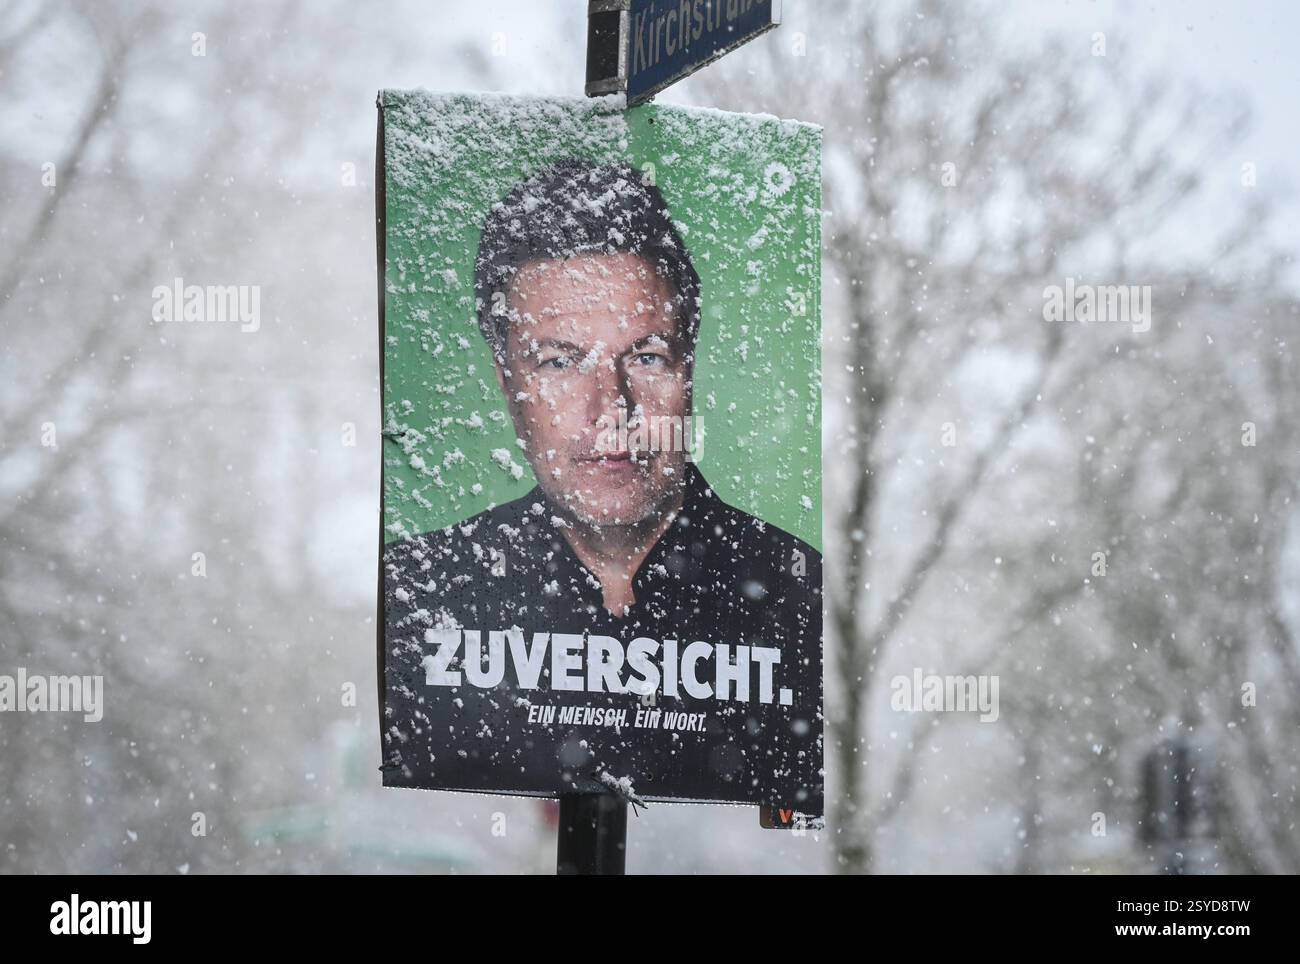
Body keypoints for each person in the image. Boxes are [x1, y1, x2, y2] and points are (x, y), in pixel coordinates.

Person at [382, 158, 822, 815]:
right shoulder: (421, 590)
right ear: (507, 387)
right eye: (560, 361)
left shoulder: (801, 596)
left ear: (690, 369)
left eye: (645, 357)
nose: (611, 407)